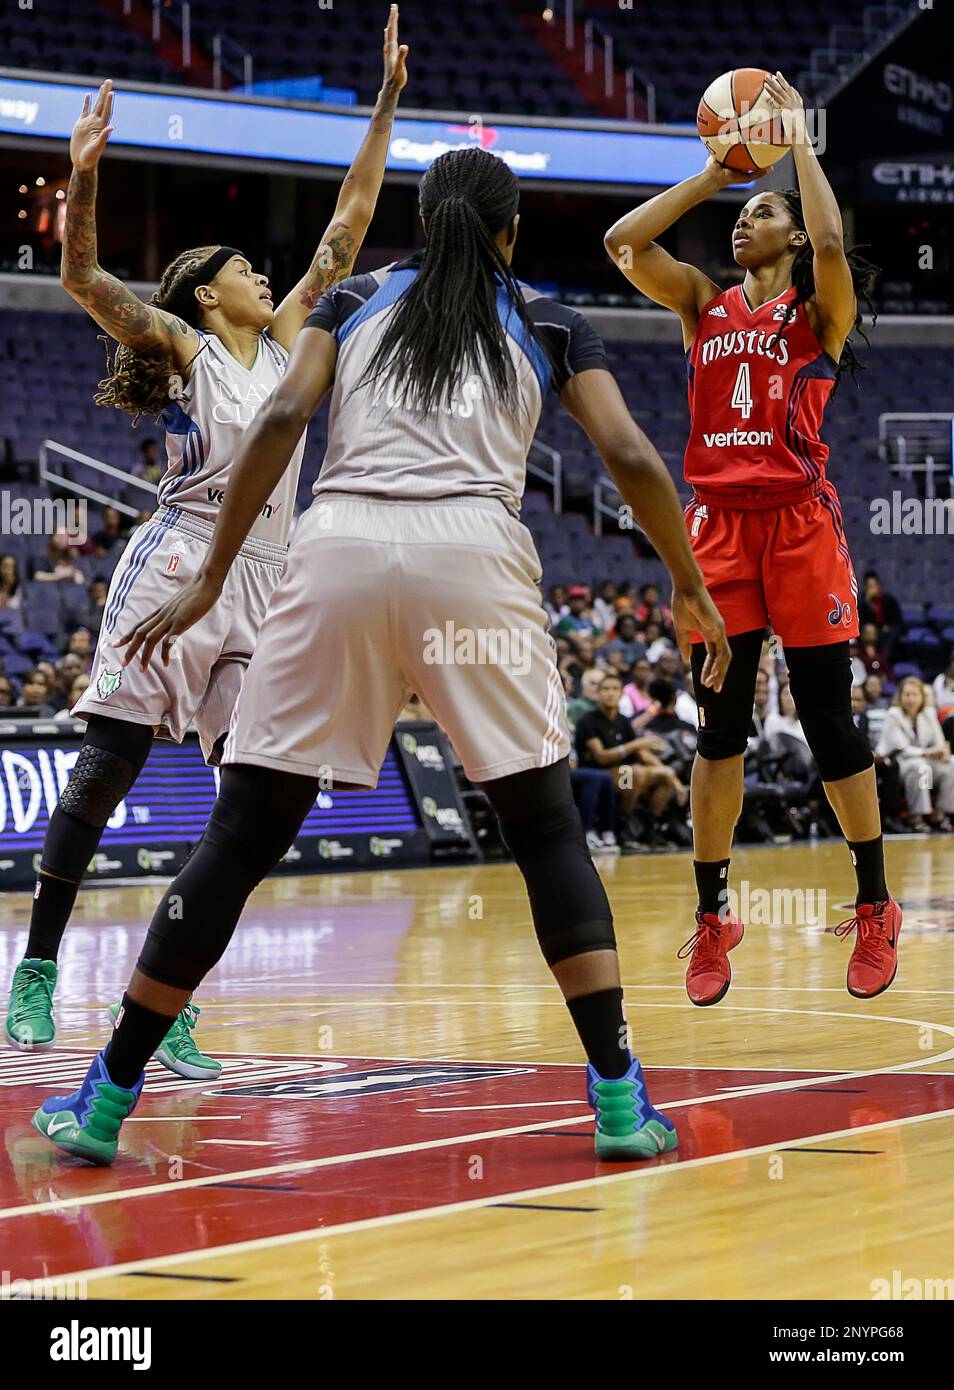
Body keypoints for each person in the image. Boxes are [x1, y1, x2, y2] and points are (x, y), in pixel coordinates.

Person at [32, 143, 729, 1167]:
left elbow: (280, 416)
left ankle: (107, 1097)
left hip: (337, 554)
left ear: (420, 218)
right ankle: (620, 1100)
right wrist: (687, 581)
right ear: (511, 233)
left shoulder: (351, 299)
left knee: (240, 836)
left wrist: (215, 575)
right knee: (543, 832)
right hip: (474, 560)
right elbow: (627, 455)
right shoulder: (547, 317)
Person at [5, 12, 408, 1070]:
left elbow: (348, 224)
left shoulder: (289, 345)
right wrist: (82, 178)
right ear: (204, 291)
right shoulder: (187, 344)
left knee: (250, 808)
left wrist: (385, 107)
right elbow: (83, 285)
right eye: (245, 268)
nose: (265, 276)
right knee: (106, 769)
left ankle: (166, 994)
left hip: (269, 584)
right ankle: (37, 969)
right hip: (180, 556)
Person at [605, 69, 898, 1006]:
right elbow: (622, 243)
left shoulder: (819, 314)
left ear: (794, 234)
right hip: (718, 535)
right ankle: (712, 914)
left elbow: (837, 238)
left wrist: (797, 146)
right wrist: (716, 172)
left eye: (762, 211)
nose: (745, 221)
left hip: (801, 529)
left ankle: (876, 899)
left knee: (826, 721)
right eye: (743, 213)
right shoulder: (701, 301)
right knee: (719, 731)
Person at [576, 672, 687, 848]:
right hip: (601, 773)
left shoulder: (622, 721)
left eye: (614, 689)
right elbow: (601, 757)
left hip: (626, 775)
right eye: (605, 689)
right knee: (635, 772)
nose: (610, 693)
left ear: (621, 694)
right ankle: (623, 826)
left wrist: (676, 783)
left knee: (664, 774)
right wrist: (634, 744)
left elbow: (643, 754)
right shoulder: (588, 721)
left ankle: (651, 828)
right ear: (597, 694)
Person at [876, 677, 954, 832]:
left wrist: (943, 752)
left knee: (952, 762)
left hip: (923, 759)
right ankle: (916, 816)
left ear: (922, 697)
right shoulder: (893, 714)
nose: (911, 699)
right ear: (900, 697)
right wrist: (929, 752)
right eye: (907, 694)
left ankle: (941, 814)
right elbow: (902, 748)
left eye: (914, 694)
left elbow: (939, 741)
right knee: (920, 766)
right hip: (897, 763)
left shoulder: (929, 713)